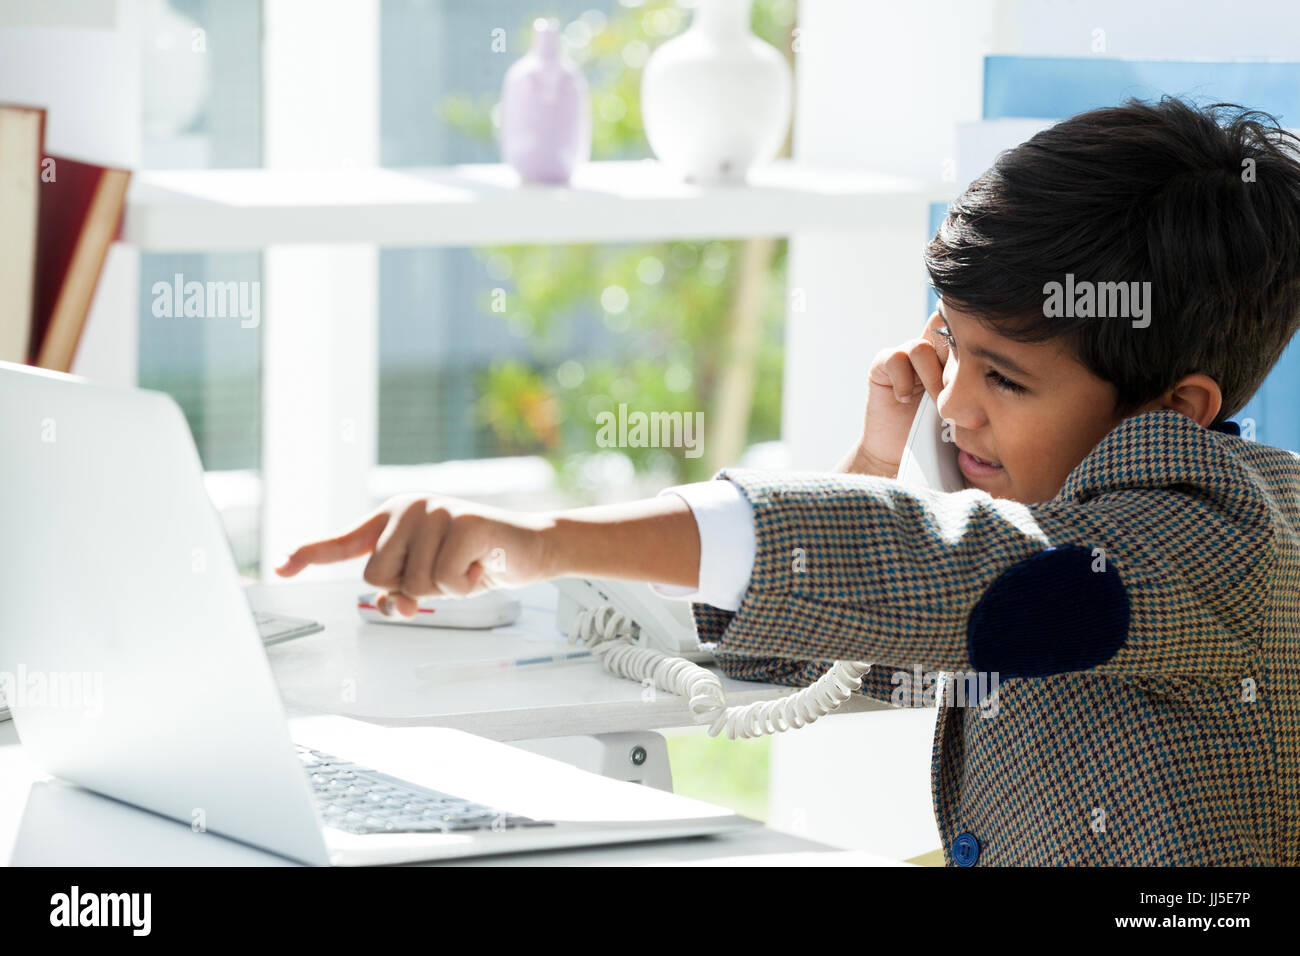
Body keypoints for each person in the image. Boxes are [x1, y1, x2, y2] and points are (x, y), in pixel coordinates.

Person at [278, 97, 1300, 866]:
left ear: (1176, 410)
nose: (953, 406)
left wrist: (546, 540)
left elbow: (951, 574)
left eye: (1006, 377)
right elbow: (825, 643)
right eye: (953, 348)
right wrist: (875, 467)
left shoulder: (1214, 539)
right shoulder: (1054, 526)